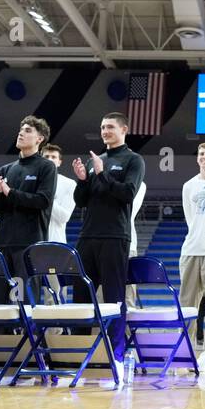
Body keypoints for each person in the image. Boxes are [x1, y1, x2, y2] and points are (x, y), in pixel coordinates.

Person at [72, 113, 145, 341]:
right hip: (87, 236)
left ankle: (115, 351)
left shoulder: (133, 160)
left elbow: (127, 194)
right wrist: (83, 180)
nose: (105, 131)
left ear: (124, 130)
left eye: (110, 127)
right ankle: (79, 349)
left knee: (114, 297)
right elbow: (81, 201)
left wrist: (102, 174)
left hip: (115, 236)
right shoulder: (94, 160)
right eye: (103, 127)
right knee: (81, 296)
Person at [0, 116, 57, 299]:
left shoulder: (47, 167)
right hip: (1, 243)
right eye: (21, 129)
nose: (21, 133)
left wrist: (10, 192)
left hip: (28, 244)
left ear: (39, 138)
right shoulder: (5, 169)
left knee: (23, 302)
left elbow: (42, 201)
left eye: (27, 131)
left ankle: (25, 329)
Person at [181, 143, 205, 347]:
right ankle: (186, 347)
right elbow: (190, 218)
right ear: (197, 158)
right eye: (201, 153)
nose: (204, 156)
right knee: (187, 302)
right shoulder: (188, 185)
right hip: (191, 249)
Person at [40, 144, 76, 244]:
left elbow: (64, 217)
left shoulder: (69, 184)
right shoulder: (31, 181)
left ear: (59, 162)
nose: (50, 159)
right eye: (46, 157)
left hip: (56, 240)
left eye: (53, 157)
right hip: (31, 239)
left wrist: (44, 197)